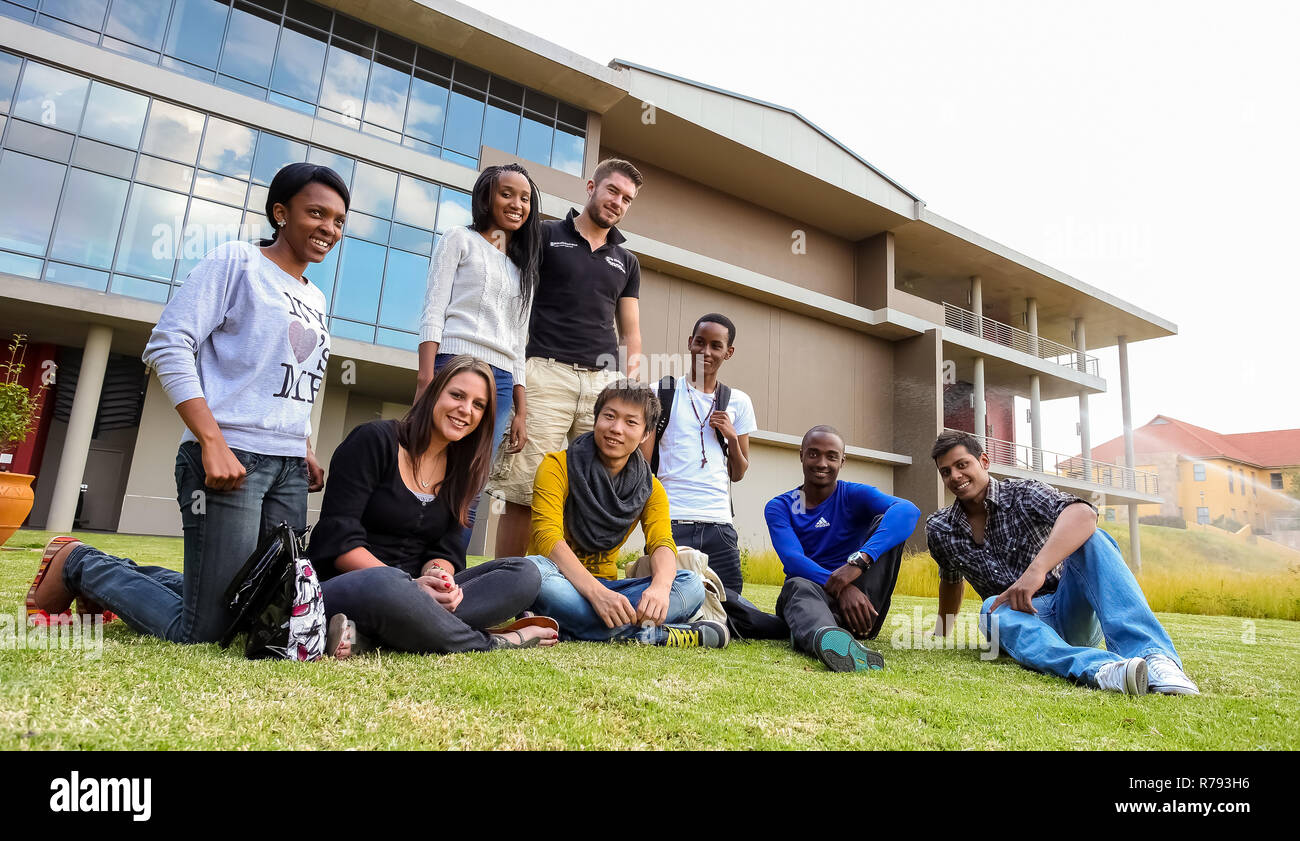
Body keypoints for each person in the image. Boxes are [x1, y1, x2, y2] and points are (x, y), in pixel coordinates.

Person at [26, 163, 349, 644]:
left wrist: (302, 443)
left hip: (287, 466)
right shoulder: (237, 262)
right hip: (229, 457)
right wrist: (211, 441)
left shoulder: (315, 298)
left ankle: (106, 571)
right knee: (205, 631)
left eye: (339, 220)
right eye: (316, 213)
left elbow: (285, 378)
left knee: (254, 598)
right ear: (280, 213)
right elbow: (169, 343)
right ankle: (78, 563)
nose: (329, 228)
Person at [311, 354, 558, 656]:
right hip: (355, 583)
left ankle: (369, 634)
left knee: (524, 573)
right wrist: (411, 585)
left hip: (419, 594)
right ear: (433, 394)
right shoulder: (373, 441)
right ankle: (492, 642)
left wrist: (439, 578)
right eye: (457, 395)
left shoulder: (464, 471)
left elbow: (445, 551)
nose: (465, 410)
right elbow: (339, 541)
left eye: (478, 405)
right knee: (387, 586)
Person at [925, 430, 1199, 695]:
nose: (955, 476)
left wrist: (1036, 572)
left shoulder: (1024, 493)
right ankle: (1105, 670)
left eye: (962, 465)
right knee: (991, 607)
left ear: (984, 461)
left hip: (1068, 606)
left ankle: (1155, 659)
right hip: (1020, 624)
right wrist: (942, 631)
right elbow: (950, 581)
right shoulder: (940, 528)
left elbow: (1083, 514)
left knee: (1094, 538)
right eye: (946, 471)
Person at [489, 159, 646, 558]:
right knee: (525, 489)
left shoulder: (626, 262)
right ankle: (505, 593)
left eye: (627, 199)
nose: (618, 202)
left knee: (589, 493)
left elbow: (630, 331)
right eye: (612, 190)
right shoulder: (543, 234)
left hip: (601, 385)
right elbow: (508, 295)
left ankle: (572, 592)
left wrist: (628, 387)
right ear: (592, 186)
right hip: (545, 372)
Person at [525, 381, 725, 647]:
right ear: (596, 419)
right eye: (609, 416)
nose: (616, 429)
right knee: (534, 573)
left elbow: (662, 544)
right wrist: (597, 595)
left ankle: (570, 628)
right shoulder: (556, 466)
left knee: (690, 585)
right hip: (559, 580)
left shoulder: (650, 488)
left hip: (611, 590)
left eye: (631, 422)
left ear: (645, 434)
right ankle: (655, 635)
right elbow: (546, 537)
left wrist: (660, 589)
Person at [415, 163, 543, 545]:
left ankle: (449, 568)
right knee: (430, 463)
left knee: (473, 480)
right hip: (453, 363)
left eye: (525, 198)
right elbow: (433, 310)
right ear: (486, 197)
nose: (517, 204)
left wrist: (521, 409)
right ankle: (406, 560)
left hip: (502, 379)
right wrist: (426, 378)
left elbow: (519, 343)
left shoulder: (525, 270)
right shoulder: (459, 239)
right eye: (507, 194)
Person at [643, 312, 786, 639]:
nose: (706, 351)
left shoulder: (738, 402)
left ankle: (772, 627)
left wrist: (732, 438)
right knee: (674, 600)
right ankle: (694, 630)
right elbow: (643, 465)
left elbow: (739, 472)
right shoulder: (661, 393)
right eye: (700, 342)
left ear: (728, 352)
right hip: (671, 522)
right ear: (689, 343)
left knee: (728, 603)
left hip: (719, 527)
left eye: (716, 346)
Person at [768, 425, 920, 671]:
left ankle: (808, 632)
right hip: (810, 596)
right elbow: (793, 559)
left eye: (831, 456)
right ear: (801, 455)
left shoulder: (853, 495)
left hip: (861, 610)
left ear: (842, 461)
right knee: (796, 583)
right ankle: (826, 638)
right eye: (814, 453)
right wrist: (841, 587)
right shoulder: (783, 506)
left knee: (888, 522)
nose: (822, 463)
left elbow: (908, 511)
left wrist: (859, 562)